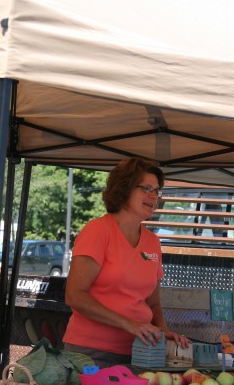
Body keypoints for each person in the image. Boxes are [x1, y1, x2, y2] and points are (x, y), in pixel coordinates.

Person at [62, 157, 189, 367]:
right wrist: (129, 324)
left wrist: (163, 331)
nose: (153, 196)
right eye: (146, 188)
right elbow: (75, 295)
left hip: (141, 352)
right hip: (91, 353)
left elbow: (153, 303)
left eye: (157, 191)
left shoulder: (152, 242)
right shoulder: (98, 231)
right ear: (124, 188)